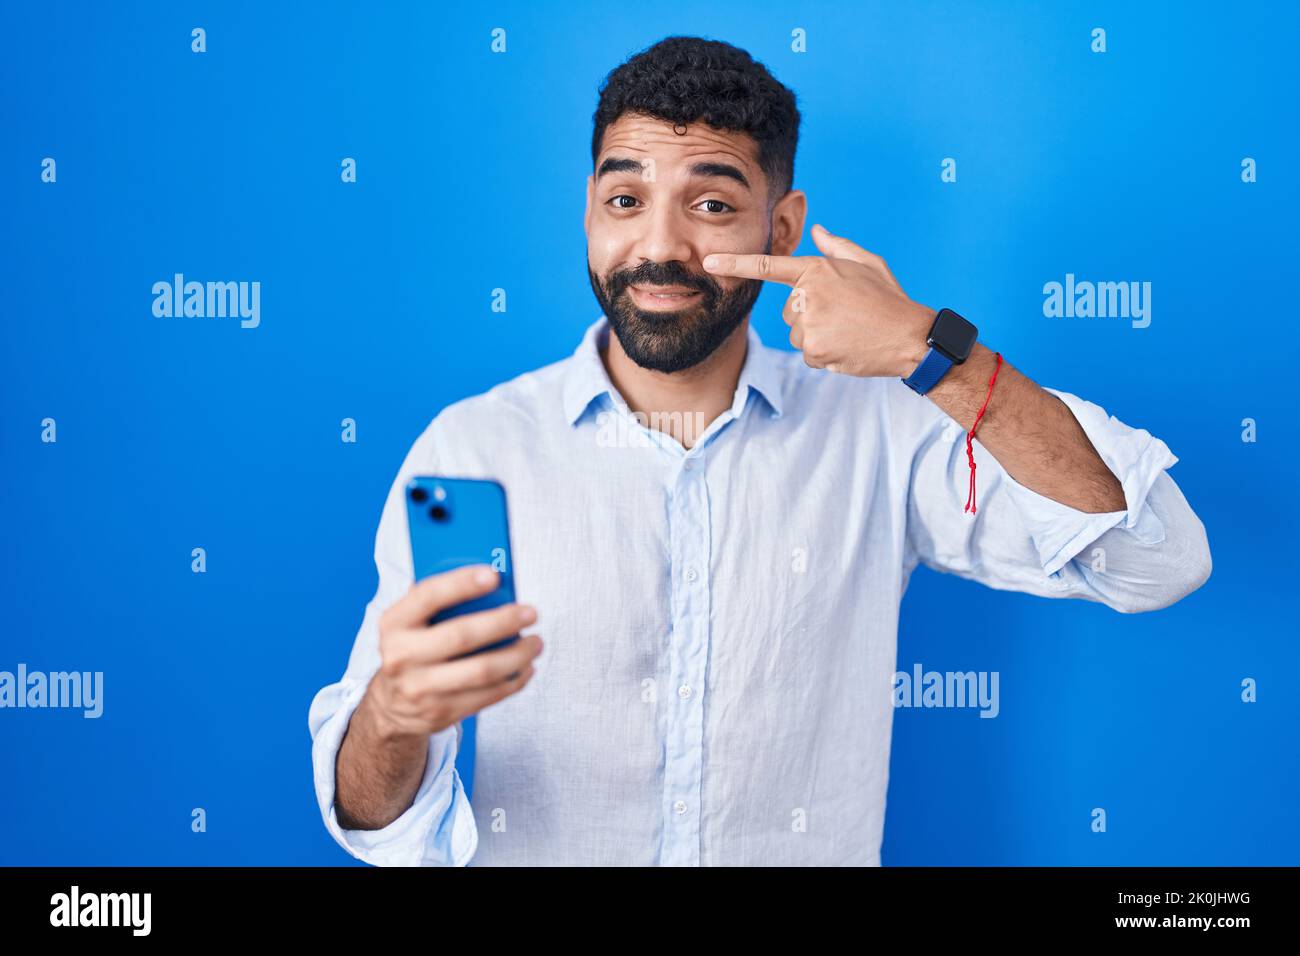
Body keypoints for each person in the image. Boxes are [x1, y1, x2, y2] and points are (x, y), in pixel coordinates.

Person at [307, 36, 1211, 866]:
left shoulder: (881, 426)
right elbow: (375, 826)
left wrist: (931, 353)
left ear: (781, 229)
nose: (659, 247)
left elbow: (1154, 560)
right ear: (589, 210)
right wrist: (393, 715)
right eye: (625, 199)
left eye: (710, 202)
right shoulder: (474, 448)